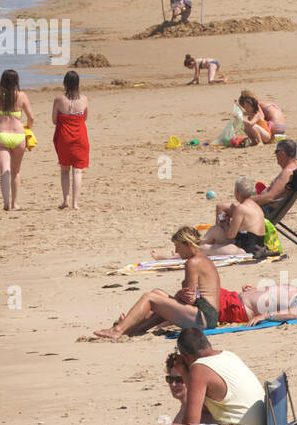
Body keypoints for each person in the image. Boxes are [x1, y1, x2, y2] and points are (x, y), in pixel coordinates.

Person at [155, 327, 266, 425]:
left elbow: (191, 423)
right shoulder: (228, 355)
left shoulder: (199, 368)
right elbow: (205, 412)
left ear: (186, 357)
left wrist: (184, 371)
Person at [93, 228, 221, 338]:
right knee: (157, 294)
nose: (176, 251)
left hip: (203, 318)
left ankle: (118, 330)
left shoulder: (193, 262)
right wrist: (178, 296)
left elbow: (189, 299)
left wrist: (178, 294)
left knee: (149, 297)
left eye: (178, 247)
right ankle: (136, 328)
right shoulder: (203, 259)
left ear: (187, 244)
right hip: (209, 316)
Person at [147, 354, 205, 425]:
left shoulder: (196, 409)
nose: (173, 384)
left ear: (189, 379)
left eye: (179, 380)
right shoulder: (184, 407)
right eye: (170, 379)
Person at [0, 69, 34, 211]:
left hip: (1, 135)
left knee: (4, 170)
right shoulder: (21, 96)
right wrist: (27, 128)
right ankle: (14, 203)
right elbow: (31, 118)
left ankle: (6, 203)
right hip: (18, 135)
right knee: (16, 171)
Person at [197, 177, 267, 256]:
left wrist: (224, 223)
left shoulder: (241, 208)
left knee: (203, 248)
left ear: (236, 193)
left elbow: (230, 235)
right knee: (215, 230)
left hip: (245, 250)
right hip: (255, 246)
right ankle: (196, 248)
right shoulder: (256, 206)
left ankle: (193, 251)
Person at [52, 71, 89, 210]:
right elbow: (85, 117)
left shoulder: (59, 100)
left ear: (65, 83)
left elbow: (54, 120)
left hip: (64, 137)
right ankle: (75, 203)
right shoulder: (84, 99)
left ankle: (65, 200)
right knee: (77, 171)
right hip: (80, 137)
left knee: (64, 170)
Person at [250, 140, 297, 208]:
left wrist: (246, 200)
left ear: (282, 154)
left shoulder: (287, 173)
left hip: (263, 210)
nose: (275, 155)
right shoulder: (295, 168)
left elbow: (269, 197)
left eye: (276, 152)